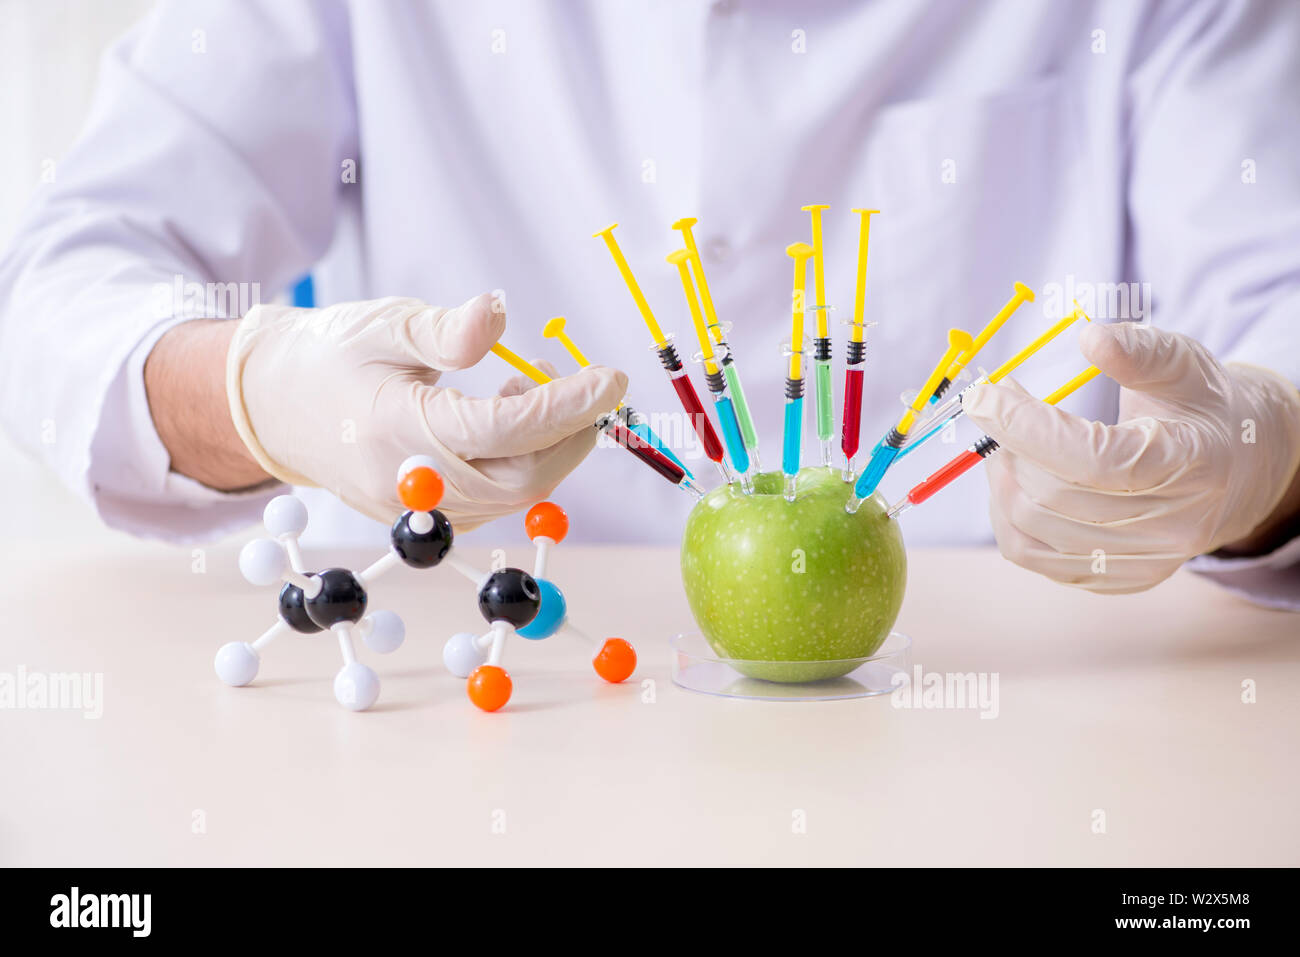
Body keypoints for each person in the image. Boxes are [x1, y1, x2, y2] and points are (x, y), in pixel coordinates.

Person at [1, 0, 1297, 607]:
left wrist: (1259, 451)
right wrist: (253, 391)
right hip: (477, 684)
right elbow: (58, 285)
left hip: (1024, 714)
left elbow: (1281, 292)